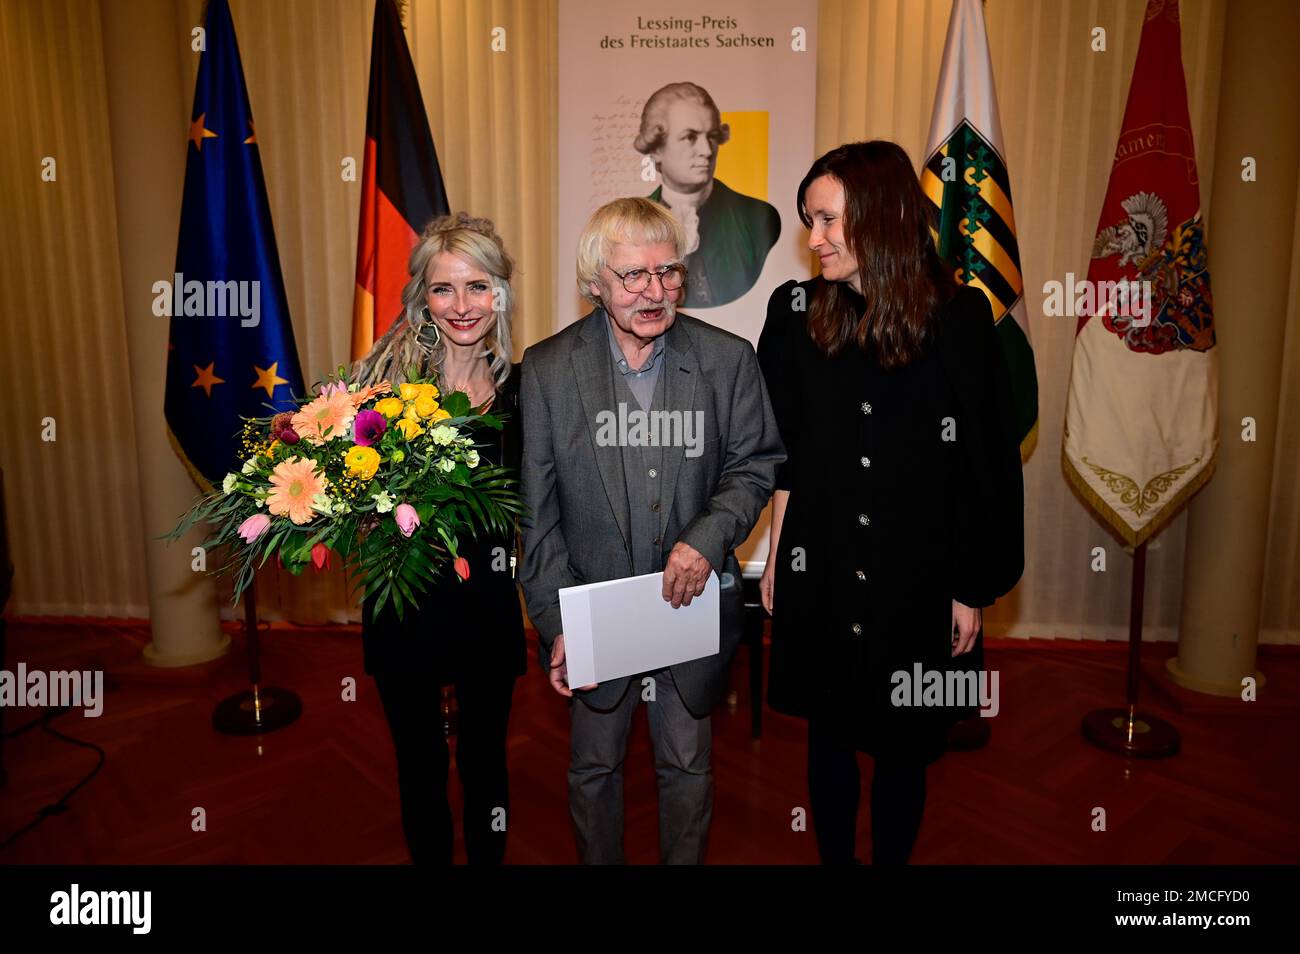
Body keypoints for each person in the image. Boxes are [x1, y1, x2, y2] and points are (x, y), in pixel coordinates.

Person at [756, 141, 1024, 865]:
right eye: (809, 221)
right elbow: (784, 455)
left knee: (908, 743)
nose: (813, 240)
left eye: (827, 220)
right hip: (825, 562)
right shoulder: (796, 316)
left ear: (881, 216)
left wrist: (971, 588)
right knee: (829, 734)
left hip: (922, 576)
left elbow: (987, 466)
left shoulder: (961, 318)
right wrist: (779, 557)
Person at [519, 197, 783, 864]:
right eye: (633, 275)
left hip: (687, 611)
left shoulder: (728, 361)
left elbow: (756, 465)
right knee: (593, 772)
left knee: (687, 770)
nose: (655, 291)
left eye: (668, 272)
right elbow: (538, 516)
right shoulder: (548, 370)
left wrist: (709, 536)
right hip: (594, 616)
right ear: (595, 281)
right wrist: (557, 627)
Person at [351, 212, 527, 865]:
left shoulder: (523, 390)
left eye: (478, 287)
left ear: (500, 294)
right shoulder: (382, 391)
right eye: (444, 288)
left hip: (486, 608)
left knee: (486, 764)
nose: (462, 306)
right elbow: (351, 502)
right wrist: (361, 509)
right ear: (421, 295)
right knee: (420, 764)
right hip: (406, 606)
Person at [635, 81, 781, 309]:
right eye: (690, 137)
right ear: (656, 149)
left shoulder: (759, 218)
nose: (707, 150)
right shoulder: (631, 226)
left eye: (712, 136)